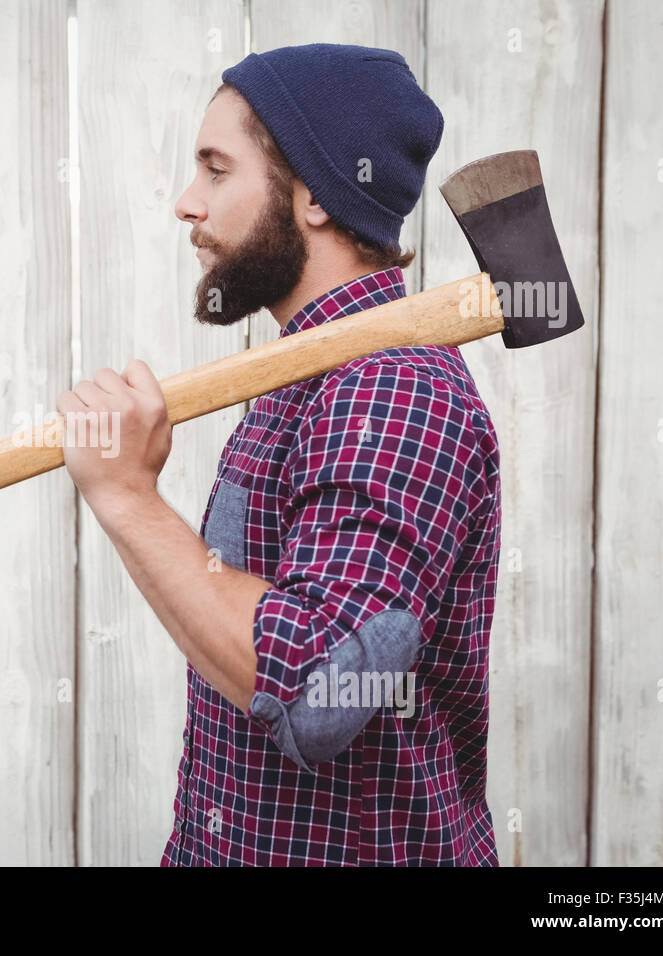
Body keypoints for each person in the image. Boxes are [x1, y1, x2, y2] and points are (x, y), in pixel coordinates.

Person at [56, 44, 501, 865]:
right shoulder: (309, 375)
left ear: (315, 196)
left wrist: (128, 498)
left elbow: (318, 694)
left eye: (217, 170)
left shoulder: (393, 392)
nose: (187, 205)